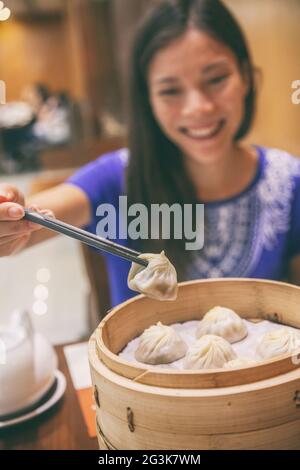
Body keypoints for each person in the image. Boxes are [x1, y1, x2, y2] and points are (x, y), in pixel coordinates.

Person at [1, 0, 300, 307]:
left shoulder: (289, 181)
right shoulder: (116, 179)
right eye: (170, 90)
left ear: (246, 78)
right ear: (148, 100)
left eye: (216, 79)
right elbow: (30, 226)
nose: (198, 107)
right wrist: (10, 221)